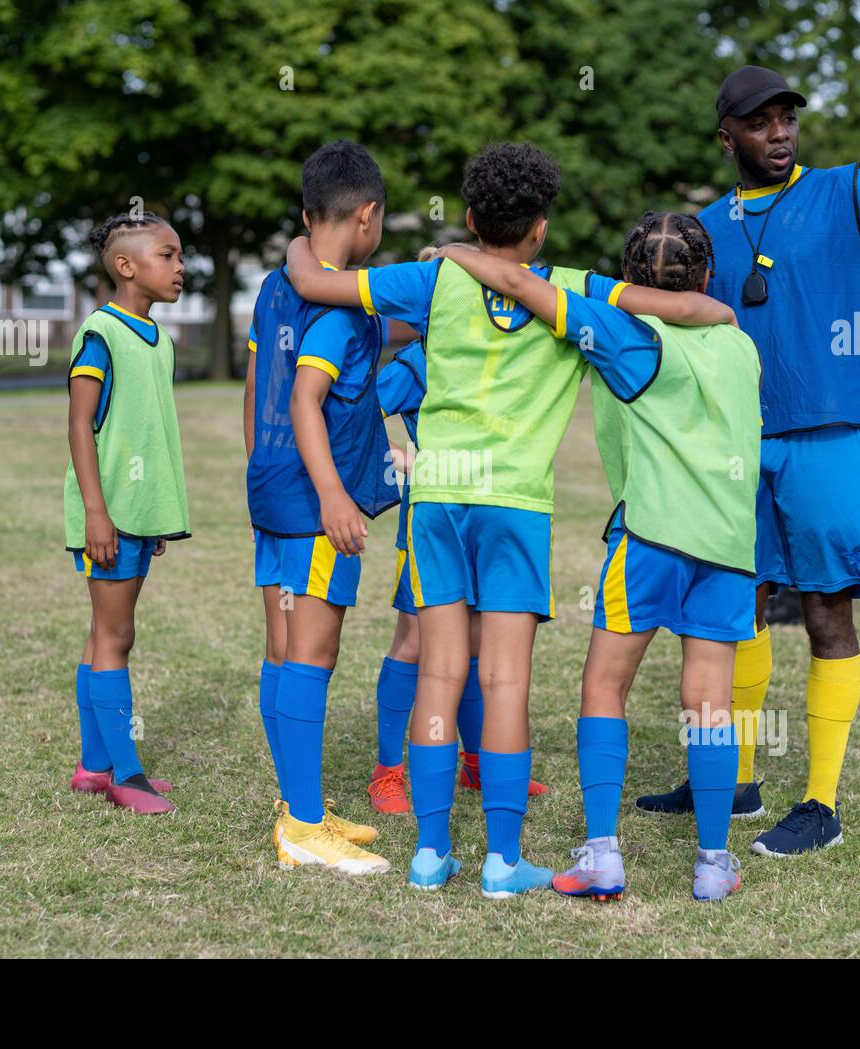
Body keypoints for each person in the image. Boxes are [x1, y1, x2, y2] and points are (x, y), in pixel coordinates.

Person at [286, 142, 735, 897]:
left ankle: (431, 854)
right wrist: (712, 305)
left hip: (439, 494)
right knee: (504, 680)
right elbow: (684, 307)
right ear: (540, 229)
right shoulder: (569, 288)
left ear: (468, 218)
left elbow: (312, 280)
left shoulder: (431, 278)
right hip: (514, 503)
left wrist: (304, 238)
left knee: (439, 669)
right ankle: (502, 860)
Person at [639, 65, 860, 856]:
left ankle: (821, 801)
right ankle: (739, 781)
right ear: (728, 137)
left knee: (827, 610)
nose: (780, 131)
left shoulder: (848, 191)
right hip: (737, 448)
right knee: (737, 606)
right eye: (760, 122)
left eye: (787, 117)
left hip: (830, 436)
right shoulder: (705, 228)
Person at [438, 210, 762, 902]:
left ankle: (602, 854)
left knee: (603, 688)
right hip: (730, 544)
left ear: (629, 281)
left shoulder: (627, 334)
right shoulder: (741, 344)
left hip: (649, 535)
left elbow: (523, 287)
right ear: (706, 277)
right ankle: (712, 863)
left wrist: (453, 251)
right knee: (708, 702)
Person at [246, 140, 398, 875]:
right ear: (366, 216)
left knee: (283, 650)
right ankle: (304, 826)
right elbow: (308, 397)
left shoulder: (278, 286)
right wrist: (334, 493)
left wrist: (259, 470)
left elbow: (259, 387)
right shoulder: (340, 301)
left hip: (274, 489)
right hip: (313, 502)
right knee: (314, 651)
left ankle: (297, 803)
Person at [368, 331, 548, 814]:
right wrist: (401, 459)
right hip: (431, 521)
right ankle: (387, 774)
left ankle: (474, 763)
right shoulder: (415, 363)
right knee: (415, 643)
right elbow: (356, 412)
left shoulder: (485, 351)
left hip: (486, 514)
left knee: (468, 643)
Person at [64, 211, 190, 815]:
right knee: (117, 636)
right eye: (167, 256)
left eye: (181, 256)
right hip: (107, 514)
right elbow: (80, 425)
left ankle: (93, 766)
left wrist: (154, 512)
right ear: (125, 266)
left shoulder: (160, 339)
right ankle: (128, 776)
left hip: (139, 513)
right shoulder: (100, 333)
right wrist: (98, 512)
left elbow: (149, 431)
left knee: (102, 634)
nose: (180, 267)